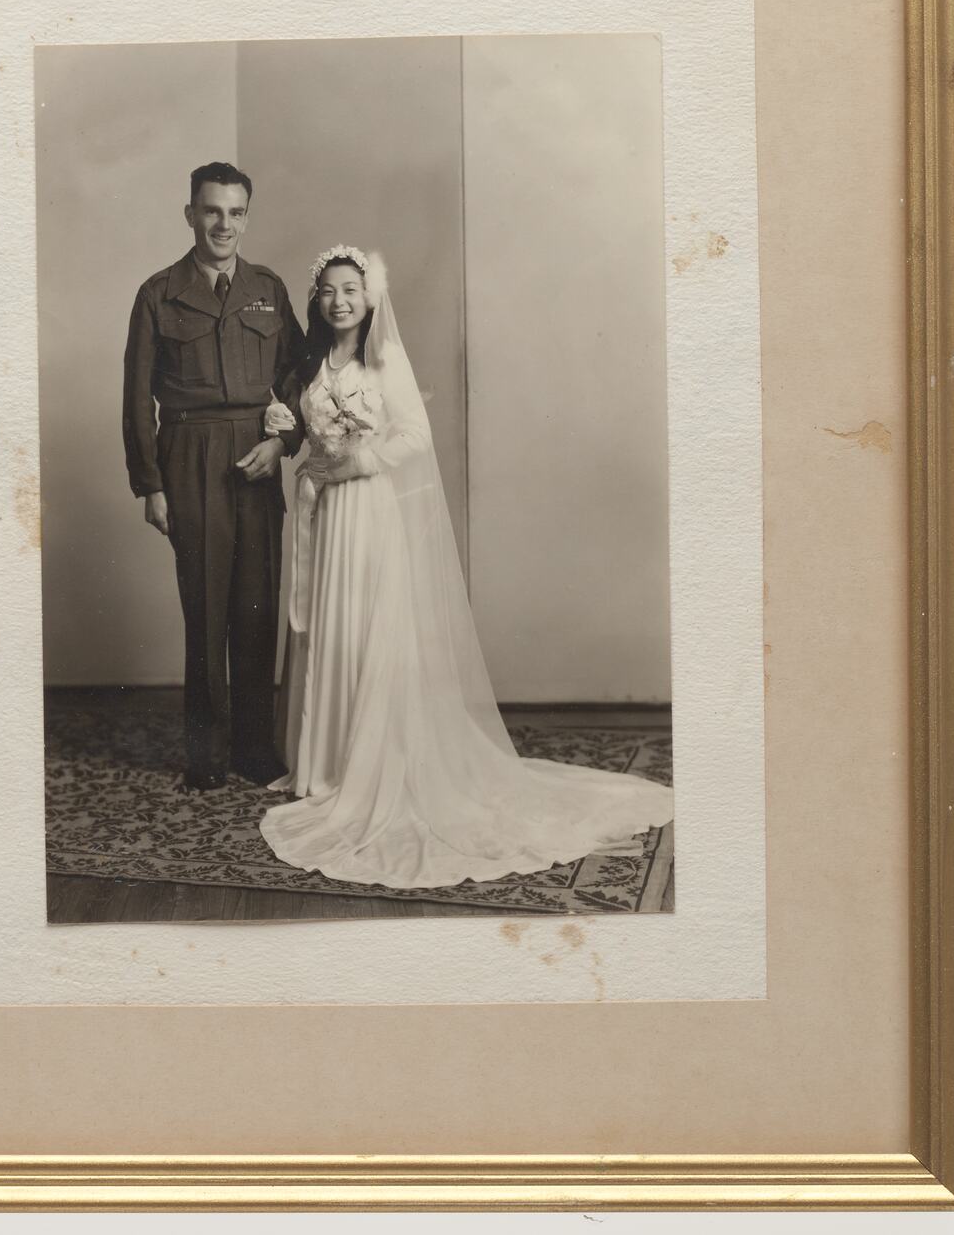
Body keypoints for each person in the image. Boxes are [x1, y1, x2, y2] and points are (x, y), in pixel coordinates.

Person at [258, 245, 674, 889]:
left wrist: (357, 461)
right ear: (316, 301)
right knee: (328, 632)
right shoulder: (311, 362)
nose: (339, 301)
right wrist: (289, 426)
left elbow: (413, 436)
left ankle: (367, 771)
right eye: (327, 291)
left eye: (350, 290)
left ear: (369, 299)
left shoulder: (384, 359)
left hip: (367, 510)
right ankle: (326, 768)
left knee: (368, 632)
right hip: (325, 514)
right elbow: (302, 427)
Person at [122, 162, 305, 792]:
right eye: (211, 211)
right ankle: (205, 755)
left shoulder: (269, 289)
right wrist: (150, 484)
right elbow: (135, 397)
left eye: (236, 212)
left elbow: (299, 377)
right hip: (189, 453)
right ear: (190, 214)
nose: (223, 224)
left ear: (247, 216)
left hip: (256, 456)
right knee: (204, 609)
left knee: (256, 604)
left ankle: (254, 750)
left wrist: (282, 443)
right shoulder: (158, 293)